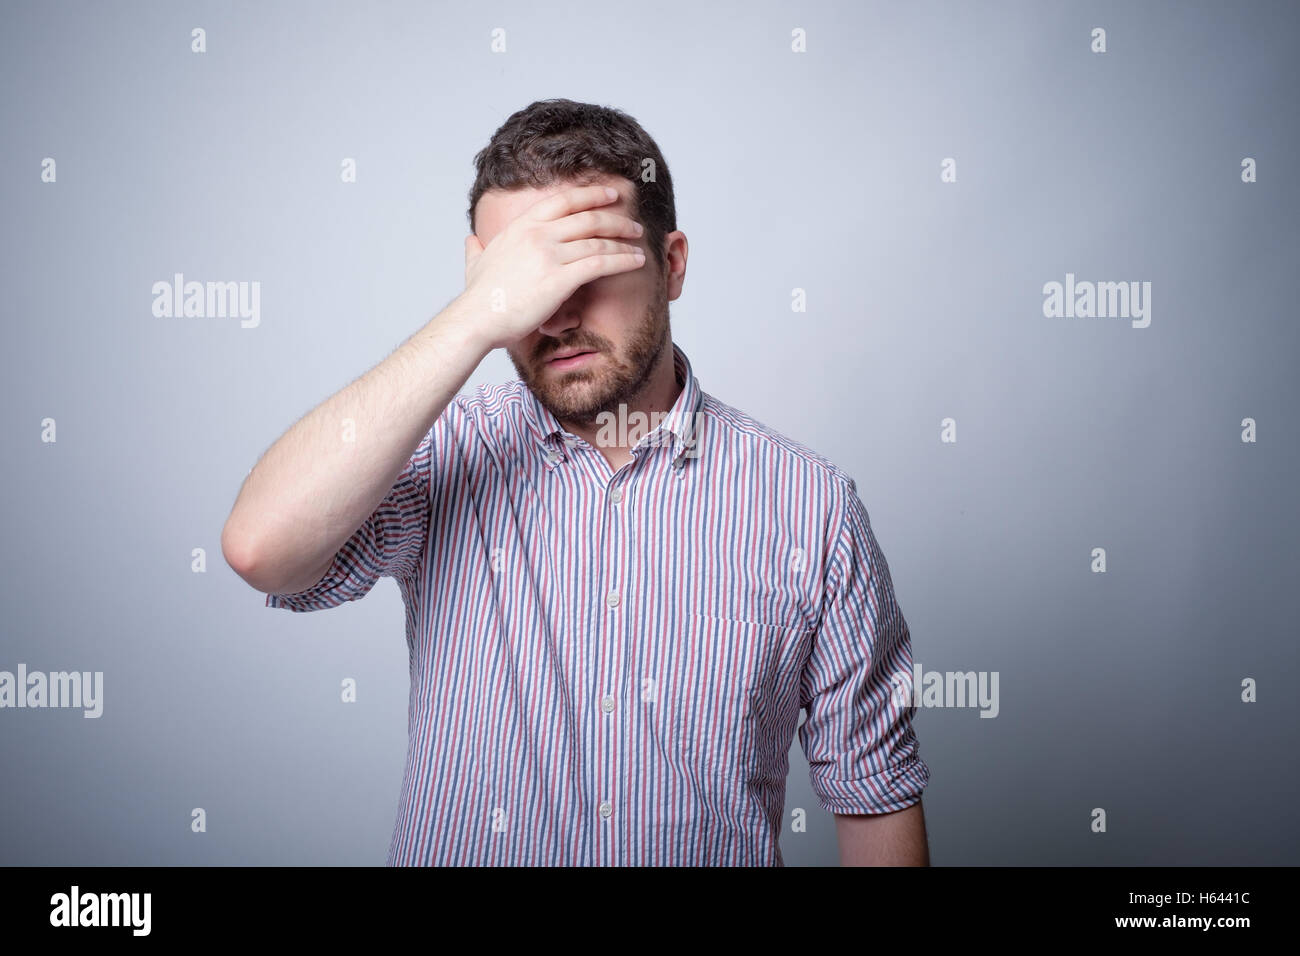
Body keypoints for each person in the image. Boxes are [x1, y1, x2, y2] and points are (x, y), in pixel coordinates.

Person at [222, 98, 930, 866]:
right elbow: (263, 547)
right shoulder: (444, 456)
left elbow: (874, 798)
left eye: (583, 264)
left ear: (673, 263)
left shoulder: (810, 508)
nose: (552, 315)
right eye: (520, 280)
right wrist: (472, 318)